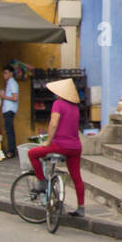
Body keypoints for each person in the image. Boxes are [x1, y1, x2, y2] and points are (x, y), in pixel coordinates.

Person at [28, 77, 87, 218]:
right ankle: (81, 207)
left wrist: (48, 141)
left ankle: (42, 182)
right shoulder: (75, 107)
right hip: (75, 147)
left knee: (32, 153)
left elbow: (53, 123)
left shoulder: (58, 104)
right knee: (76, 176)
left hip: (60, 146)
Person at [0, 66, 19, 159]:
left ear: (11, 73)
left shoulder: (13, 83)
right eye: (4, 73)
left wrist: (4, 97)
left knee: (10, 131)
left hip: (10, 110)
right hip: (7, 109)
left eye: (6, 72)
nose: (4, 75)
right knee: (9, 130)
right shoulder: (9, 83)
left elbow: (15, 98)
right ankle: (11, 150)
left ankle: (11, 151)